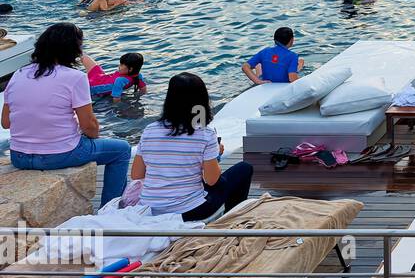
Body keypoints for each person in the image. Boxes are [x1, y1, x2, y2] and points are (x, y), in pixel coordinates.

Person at [0, 23, 131, 206]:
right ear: (72, 50)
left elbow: (6, 122)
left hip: (19, 156)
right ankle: (110, 208)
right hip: (58, 155)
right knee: (121, 150)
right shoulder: (74, 77)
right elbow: (89, 125)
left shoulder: (19, 74)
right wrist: (91, 137)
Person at [131, 73, 254, 221]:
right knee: (244, 168)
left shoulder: (150, 130)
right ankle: (232, 221)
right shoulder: (205, 134)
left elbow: (137, 175)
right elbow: (212, 180)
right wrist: (214, 155)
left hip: (150, 208)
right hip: (189, 211)